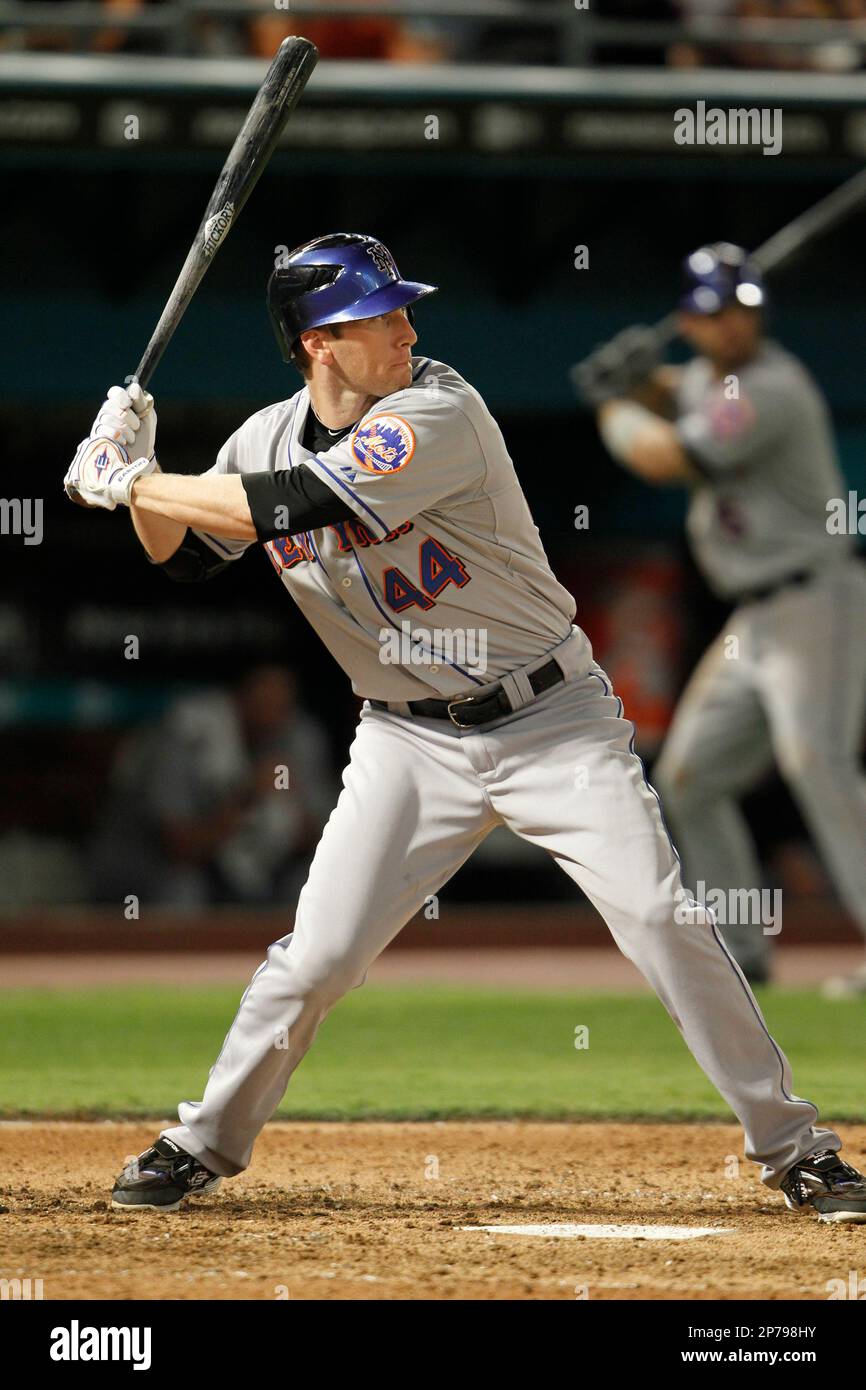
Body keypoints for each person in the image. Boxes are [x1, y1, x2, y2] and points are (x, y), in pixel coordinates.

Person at [65, 233, 866, 1221]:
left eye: (403, 308)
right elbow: (183, 555)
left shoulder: (438, 410)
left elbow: (292, 506)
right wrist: (136, 464)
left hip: (551, 720)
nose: (406, 329)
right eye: (377, 317)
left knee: (660, 919)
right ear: (316, 342)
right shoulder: (262, 438)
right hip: (406, 740)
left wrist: (126, 481)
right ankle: (201, 1141)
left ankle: (795, 1148)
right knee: (315, 957)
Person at [577, 242, 866, 992]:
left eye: (742, 310)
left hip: (814, 599)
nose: (733, 326)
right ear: (690, 320)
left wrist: (615, 401)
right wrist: (644, 375)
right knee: (692, 776)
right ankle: (744, 948)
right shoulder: (710, 375)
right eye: (715, 314)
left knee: (818, 766)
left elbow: (670, 456)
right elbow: (682, 389)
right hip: (755, 619)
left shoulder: (770, 386)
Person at [88, 665, 333, 906]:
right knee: (184, 887)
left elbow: (321, 840)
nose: (272, 716)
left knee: (307, 883)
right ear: (239, 697)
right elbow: (179, 846)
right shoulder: (186, 732)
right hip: (148, 866)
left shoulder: (297, 736)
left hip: (243, 872)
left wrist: (294, 808)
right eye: (263, 702)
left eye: (281, 706)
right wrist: (247, 796)